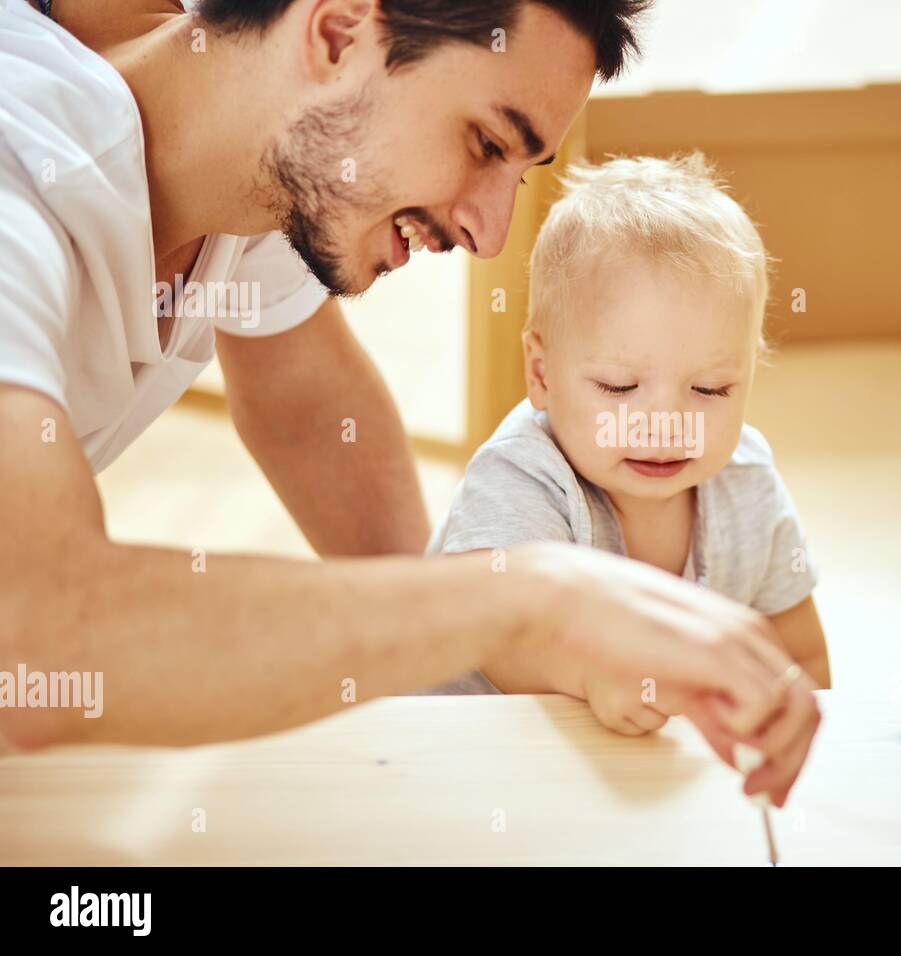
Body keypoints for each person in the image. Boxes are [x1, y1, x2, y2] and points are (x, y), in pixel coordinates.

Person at [0, 0, 819, 806]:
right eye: (485, 142)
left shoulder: (253, 144)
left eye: (518, 172)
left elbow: (308, 409)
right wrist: (528, 601)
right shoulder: (21, 185)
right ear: (337, 31)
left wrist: (451, 672)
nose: (491, 233)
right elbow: (37, 640)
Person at [429, 155, 831, 737]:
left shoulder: (746, 484)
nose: (664, 423)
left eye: (710, 388)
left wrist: (786, 728)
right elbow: (497, 627)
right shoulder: (521, 476)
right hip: (470, 756)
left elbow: (801, 660)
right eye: (619, 388)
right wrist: (590, 673)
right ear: (541, 374)